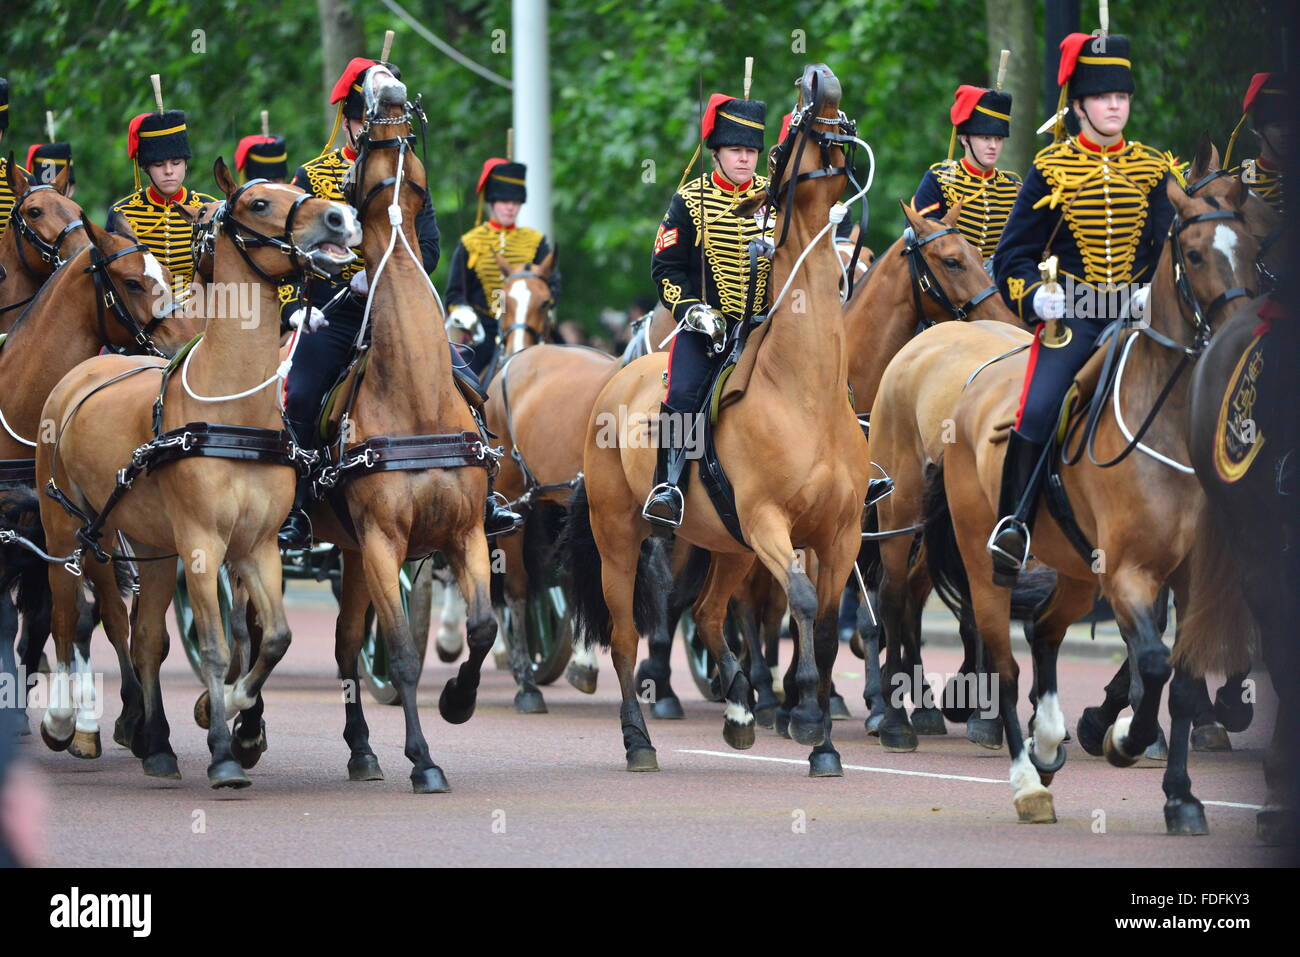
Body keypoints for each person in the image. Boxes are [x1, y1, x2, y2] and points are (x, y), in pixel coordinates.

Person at [279, 56, 519, 546]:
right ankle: (297, 503)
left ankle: (485, 490)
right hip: (338, 313)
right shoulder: (312, 176)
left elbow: (429, 245)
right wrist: (303, 302)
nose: (369, 129)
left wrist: (387, 274)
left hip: (399, 308)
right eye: (361, 121)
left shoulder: (410, 171)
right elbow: (290, 251)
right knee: (302, 392)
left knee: (468, 382)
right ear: (347, 122)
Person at [987, 30, 1175, 585]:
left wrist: (1157, 290)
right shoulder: (1049, 169)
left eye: (1122, 95)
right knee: (1040, 408)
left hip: (1141, 319)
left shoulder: (1154, 168)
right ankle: (1013, 525)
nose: (1115, 105)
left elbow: (1171, 248)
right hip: (1073, 320)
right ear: (1078, 105)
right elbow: (1011, 258)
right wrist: (1035, 296)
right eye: (1102, 96)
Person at [642, 92, 770, 528]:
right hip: (708, 328)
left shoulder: (774, 198)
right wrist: (694, 311)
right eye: (736, 150)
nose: (744, 159)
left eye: (751, 151)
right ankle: (670, 485)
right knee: (681, 394)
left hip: (768, 326)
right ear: (716, 152)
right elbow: (665, 267)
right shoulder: (690, 200)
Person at [443, 158, 560, 374]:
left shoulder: (535, 241)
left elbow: (552, 283)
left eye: (515, 202)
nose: (510, 207)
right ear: (491, 201)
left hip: (530, 328)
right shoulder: (471, 242)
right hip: (485, 331)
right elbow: (454, 294)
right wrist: (464, 312)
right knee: (459, 378)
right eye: (504, 200)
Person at [110, 105, 217, 296]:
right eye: (159, 164)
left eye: (176, 163)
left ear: (186, 164)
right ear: (145, 168)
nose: (169, 171)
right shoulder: (123, 212)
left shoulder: (209, 208)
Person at [913, 83, 1021, 265]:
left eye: (999, 139)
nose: (993, 146)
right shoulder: (938, 181)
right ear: (965, 139)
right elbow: (920, 243)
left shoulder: (1013, 187)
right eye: (985, 138)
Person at [1225, 72, 1288, 214]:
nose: (1287, 132)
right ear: (1260, 131)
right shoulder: (1240, 178)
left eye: (1292, 125)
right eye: (1277, 126)